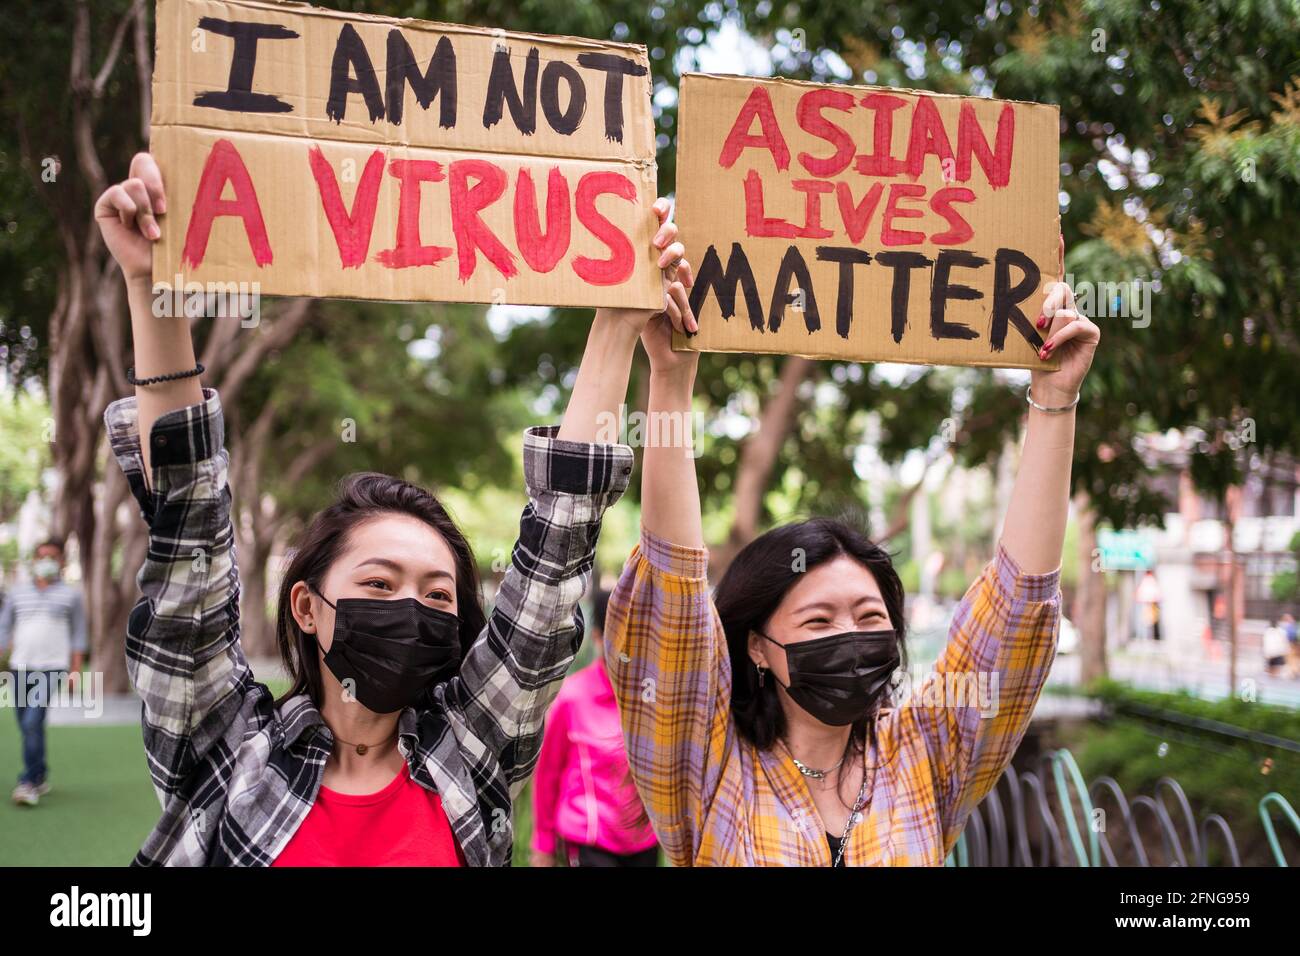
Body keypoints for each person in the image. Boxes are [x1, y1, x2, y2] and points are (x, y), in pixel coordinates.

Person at [94, 152, 694, 866]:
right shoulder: (224, 742)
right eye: (378, 583)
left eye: (438, 595)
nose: (412, 607)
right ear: (307, 607)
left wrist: (616, 321)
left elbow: (559, 546)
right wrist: (147, 285)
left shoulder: (469, 749)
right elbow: (189, 535)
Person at [604, 239, 1100, 866]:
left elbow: (1017, 613)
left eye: (869, 618)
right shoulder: (706, 764)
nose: (852, 635)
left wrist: (1054, 401)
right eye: (819, 620)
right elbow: (671, 599)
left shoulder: (926, 753)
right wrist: (671, 383)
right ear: (757, 646)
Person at [530, 588, 658, 867]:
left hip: (645, 841)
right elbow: (548, 775)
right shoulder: (572, 698)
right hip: (591, 842)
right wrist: (543, 846)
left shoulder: (655, 699)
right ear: (599, 639)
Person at [0, 540, 88, 807]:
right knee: (28, 725)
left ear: (61, 561)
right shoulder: (17, 593)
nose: (46, 561)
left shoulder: (71, 595)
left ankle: (27, 782)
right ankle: (39, 773)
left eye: (52, 556)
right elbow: (4, 628)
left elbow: (79, 634)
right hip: (20, 667)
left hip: (53, 668)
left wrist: (75, 671)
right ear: (34, 561)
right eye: (41, 556)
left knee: (31, 723)